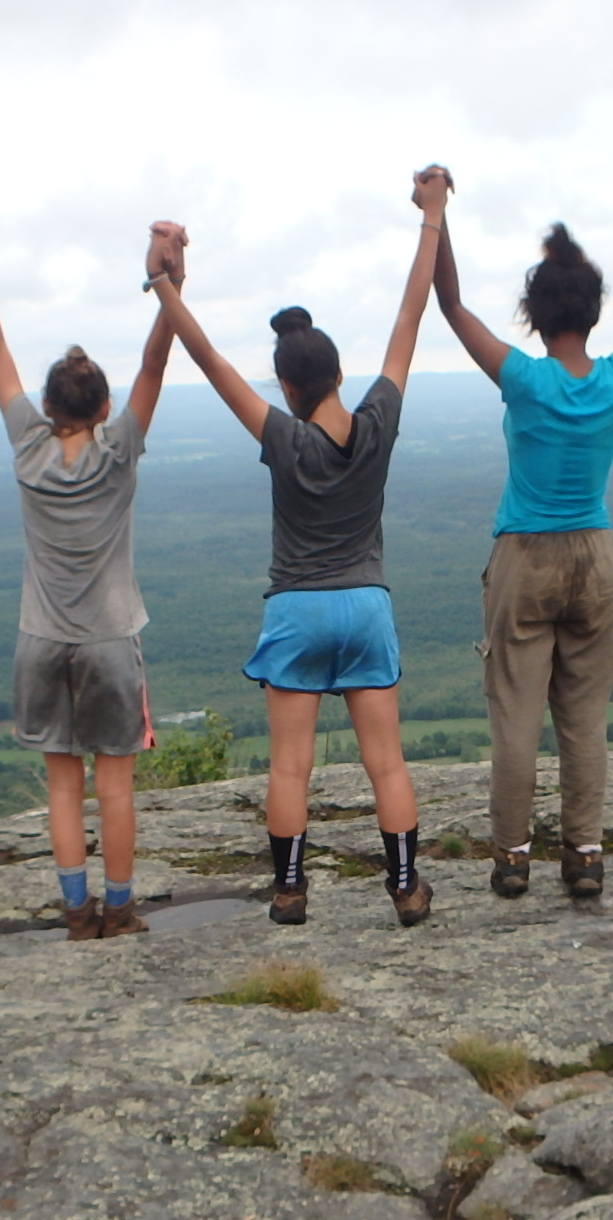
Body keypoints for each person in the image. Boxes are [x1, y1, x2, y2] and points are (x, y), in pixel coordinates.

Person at [145, 167, 452, 927]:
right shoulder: (378, 421)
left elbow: (209, 360)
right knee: (387, 761)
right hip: (367, 604)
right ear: (340, 374)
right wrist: (433, 217)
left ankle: (289, 892)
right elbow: (411, 316)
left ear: (285, 385)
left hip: (296, 609)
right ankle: (406, 888)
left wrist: (165, 285)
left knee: (291, 764)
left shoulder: (283, 436)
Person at [433, 184, 613, 899]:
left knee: (516, 711)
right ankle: (586, 854)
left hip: (524, 556)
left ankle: (513, 857)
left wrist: (436, 219)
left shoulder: (525, 379)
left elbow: (451, 306)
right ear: (591, 312)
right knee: (585, 714)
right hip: (596, 555)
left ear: (536, 317)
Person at [0, 219, 180, 940]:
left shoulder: (27, 444)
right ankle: (120, 910)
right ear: (105, 408)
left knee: (63, 785)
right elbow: (155, 364)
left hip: (40, 640)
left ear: (49, 408)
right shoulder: (118, 452)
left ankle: (76, 912)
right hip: (110, 642)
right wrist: (166, 281)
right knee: (113, 785)